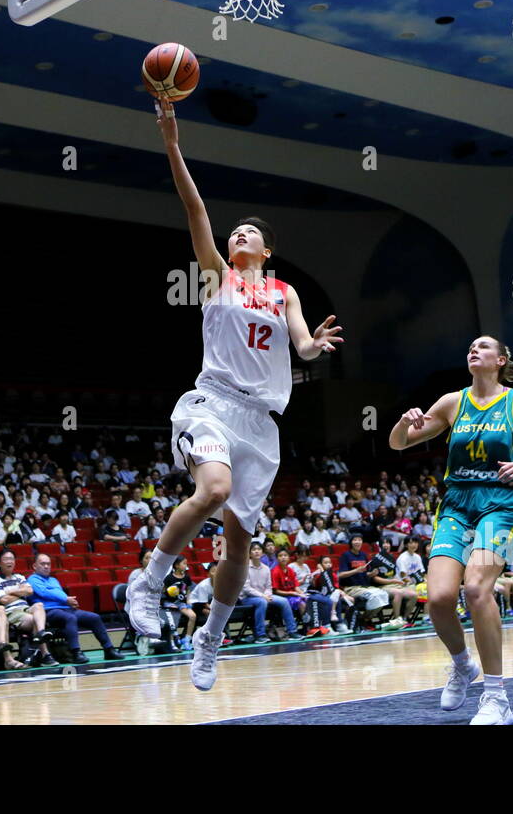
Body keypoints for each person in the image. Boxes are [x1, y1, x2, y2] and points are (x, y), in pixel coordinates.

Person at [125, 96, 343, 693]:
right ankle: (149, 583)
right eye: (235, 230)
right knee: (212, 489)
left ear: (266, 251)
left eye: (250, 232)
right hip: (212, 401)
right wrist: (172, 141)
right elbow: (194, 207)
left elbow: (298, 348)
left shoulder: (283, 292)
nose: (238, 233)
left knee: (240, 548)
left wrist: (314, 346)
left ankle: (210, 638)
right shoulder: (218, 276)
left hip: (262, 422)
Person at [388, 334, 513, 724]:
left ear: (501, 359)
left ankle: (497, 697)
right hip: (456, 505)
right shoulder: (453, 402)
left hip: (500, 505)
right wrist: (404, 424)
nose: (474, 349)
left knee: (475, 588)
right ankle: (461, 664)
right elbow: (398, 444)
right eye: (470, 346)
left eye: (483, 346)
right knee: (437, 598)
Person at [27, 554, 123, 664]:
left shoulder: (53, 580)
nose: (46, 566)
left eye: (48, 564)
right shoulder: (32, 579)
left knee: (94, 617)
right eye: (42, 564)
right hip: (48, 611)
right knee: (70, 618)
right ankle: (76, 652)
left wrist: (69, 602)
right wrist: (66, 598)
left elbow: (58, 594)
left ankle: (109, 649)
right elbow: (44, 592)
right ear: (34, 566)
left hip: (65, 609)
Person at [0, 550, 54, 668]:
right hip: (11, 612)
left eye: (12, 559)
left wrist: (10, 591)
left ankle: (41, 633)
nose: (9, 562)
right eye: (6, 559)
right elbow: (3, 600)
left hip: (25, 608)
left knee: (39, 605)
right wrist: (20, 592)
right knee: (34, 619)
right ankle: (45, 654)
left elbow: (29, 591)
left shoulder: (19, 577)